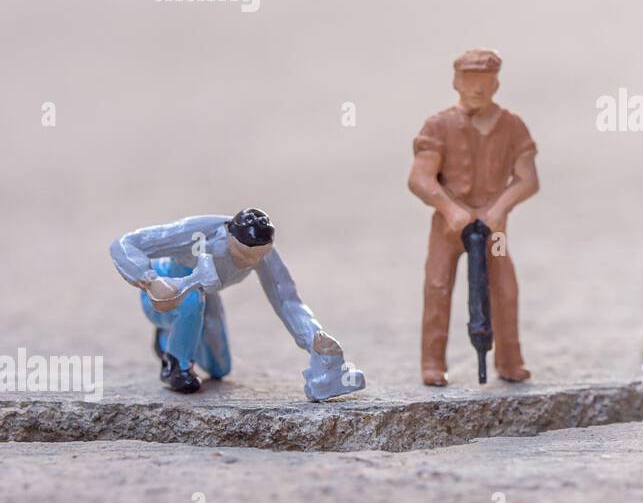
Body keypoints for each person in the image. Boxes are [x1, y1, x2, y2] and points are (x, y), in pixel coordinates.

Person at [110, 208, 366, 400]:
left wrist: (314, 339)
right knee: (192, 301)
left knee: (219, 368)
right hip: (164, 295)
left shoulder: (262, 255)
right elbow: (124, 243)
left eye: (255, 258)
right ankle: (175, 364)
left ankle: (169, 339)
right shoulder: (196, 232)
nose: (248, 263)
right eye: (242, 255)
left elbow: (286, 298)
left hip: (203, 298)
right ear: (228, 237)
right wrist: (148, 279)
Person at [408, 48, 540, 386]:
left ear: (496, 83)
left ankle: (509, 360)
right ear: (456, 81)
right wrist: (451, 209)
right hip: (449, 227)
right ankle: (433, 363)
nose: (477, 89)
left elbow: (528, 179)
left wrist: (499, 208)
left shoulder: (512, 126)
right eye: (470, 81)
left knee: (505, 288)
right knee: (438, 285)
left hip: (494, 230)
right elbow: (420, 178)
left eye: (484, 82)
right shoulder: (438, 126)